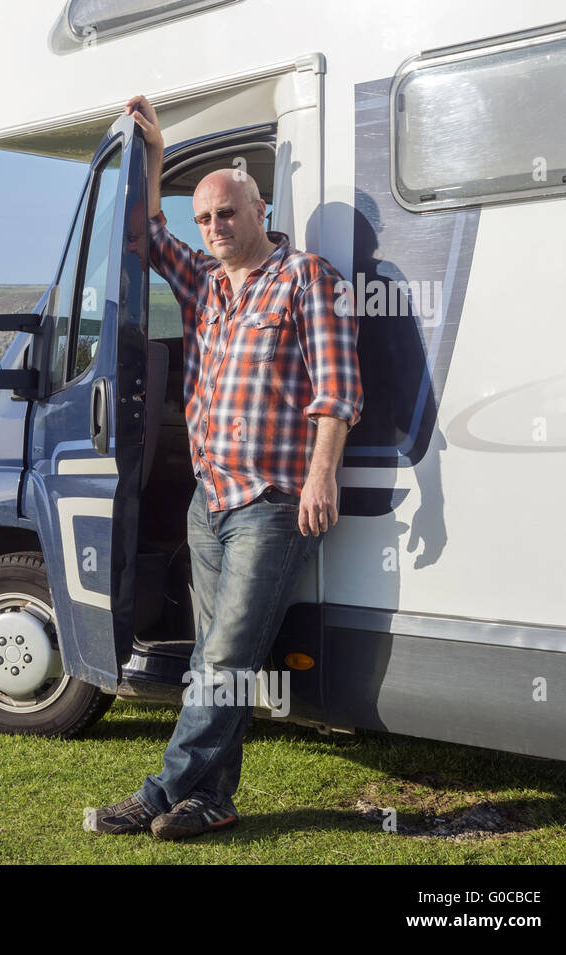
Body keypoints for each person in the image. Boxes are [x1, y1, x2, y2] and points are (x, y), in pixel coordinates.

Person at [86, 95, 364, 840]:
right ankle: (213, 799)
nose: (214, 228)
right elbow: (146, 230)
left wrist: (321, 473)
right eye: (205, 219)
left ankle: (157, 791)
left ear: (259, 208)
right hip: (209, 503)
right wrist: (152, 150)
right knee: (221, 660)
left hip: (273, 502)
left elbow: (337, 389)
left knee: (227, 653)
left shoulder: (309, 278)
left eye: (227, 215)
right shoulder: (204, 284)